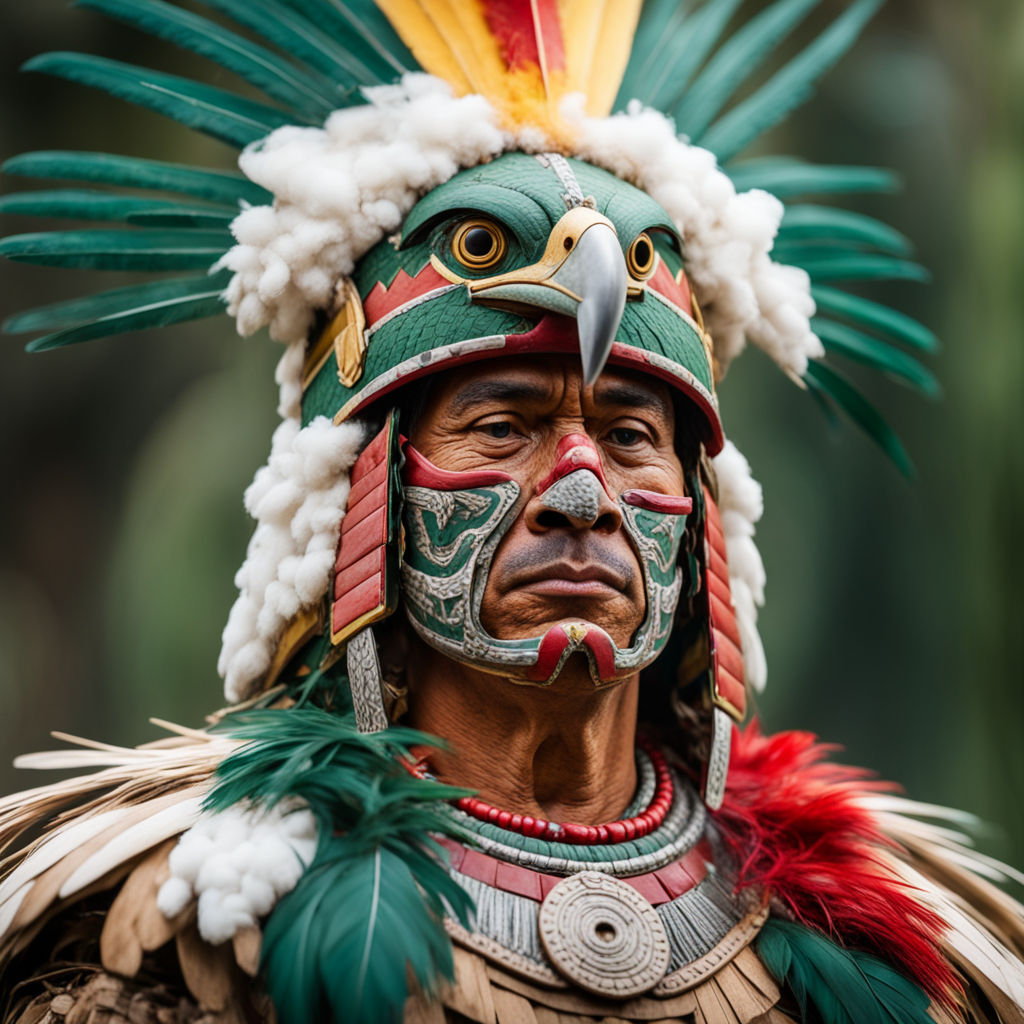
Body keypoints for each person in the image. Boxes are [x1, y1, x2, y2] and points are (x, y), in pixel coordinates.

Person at [0, 2, 1022, 1022]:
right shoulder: (201, 918)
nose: (582, 494)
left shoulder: (890, 948)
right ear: (369, 496)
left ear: (698, 517)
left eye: (629, 439)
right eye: (501, 427)